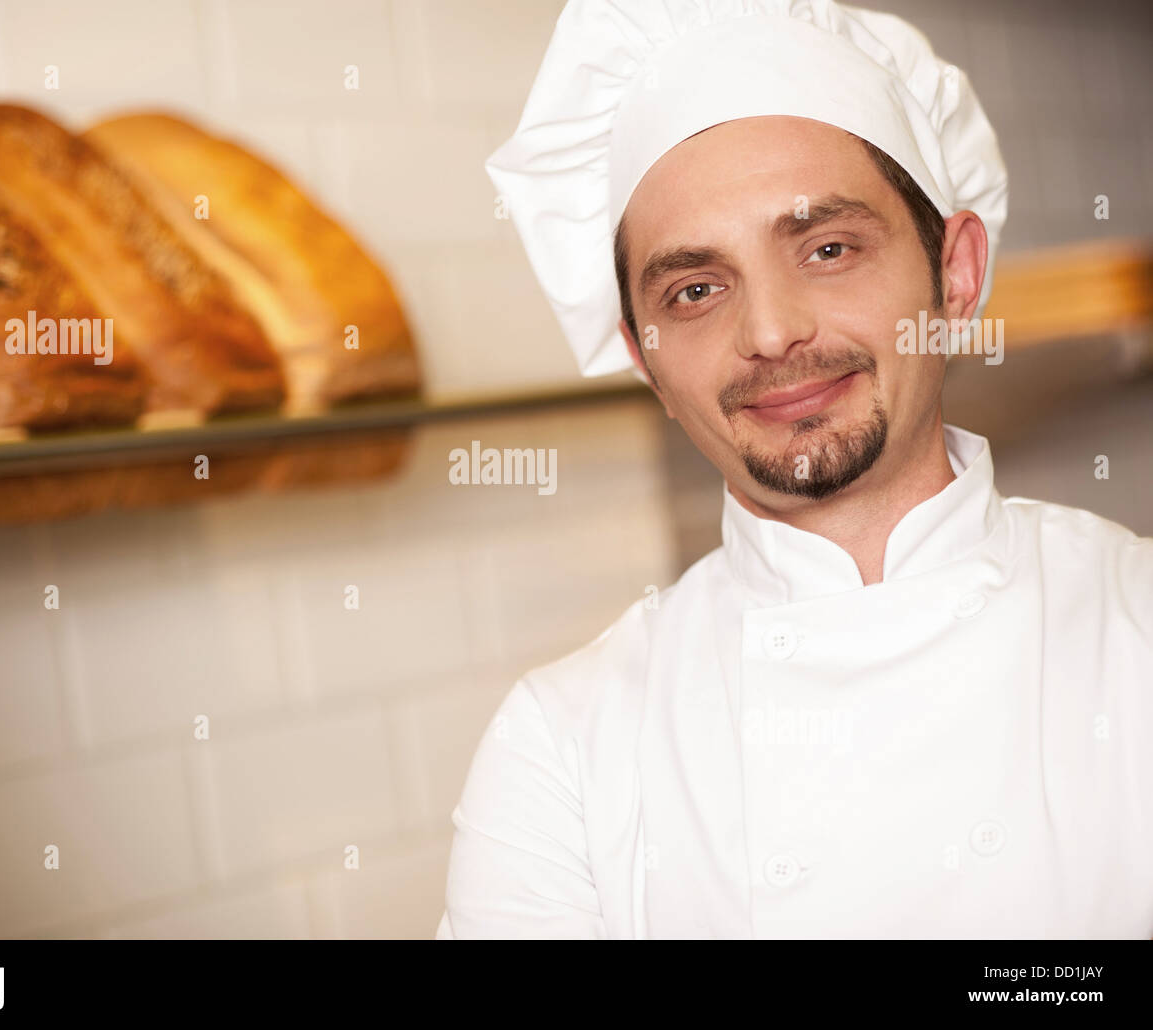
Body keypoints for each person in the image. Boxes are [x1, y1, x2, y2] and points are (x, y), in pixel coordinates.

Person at [435, 0, 1153, 939]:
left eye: (827, 248)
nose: (770, 332)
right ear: (646, 357)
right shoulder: (562, 751)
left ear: (957, 279)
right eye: (695, 290)